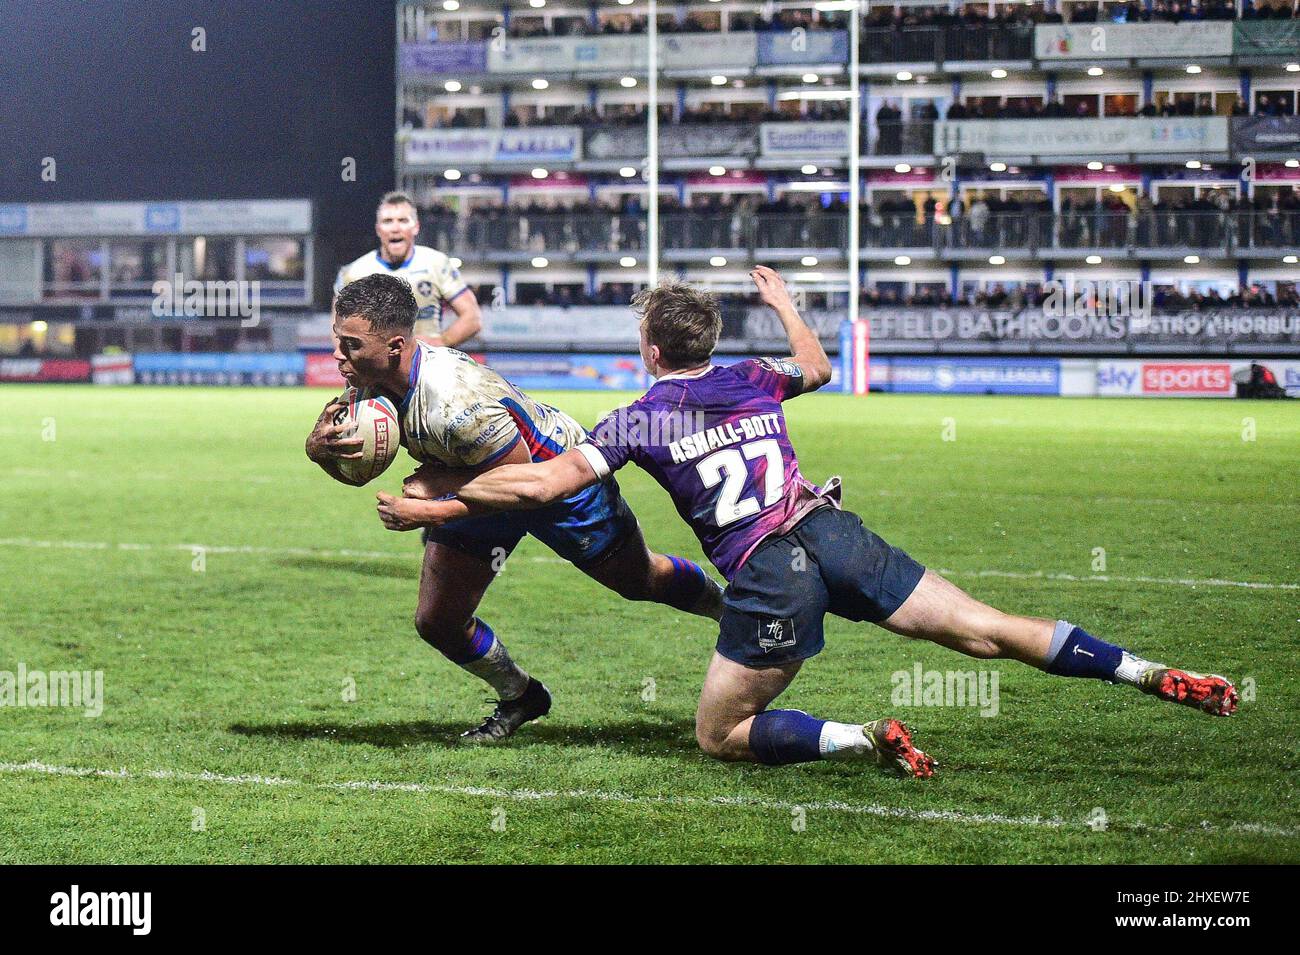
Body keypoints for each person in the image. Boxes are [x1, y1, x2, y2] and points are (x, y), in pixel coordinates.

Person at [377, 268, 1238, 776]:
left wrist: (443, 499)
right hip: (831, 529)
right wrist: (786, 302)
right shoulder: (754, 373)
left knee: (719, 735)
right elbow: (819, 367)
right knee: (983, 629)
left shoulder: (640, 415)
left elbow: (543, 485)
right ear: (708, 341)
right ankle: (1144, 669)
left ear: (652, 350)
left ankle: (864, 737)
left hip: (770, 573)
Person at [306, 274, 723, 742]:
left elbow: (519, 488)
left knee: (640, 580)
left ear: (396, 345)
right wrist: (317, 448)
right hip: (474, 476)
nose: (337, 356)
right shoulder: (367, 379)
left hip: (557, 478)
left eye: (349, 345)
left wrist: (434, 508)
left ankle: (731, 610)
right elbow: (355, 467)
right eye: (337, 342)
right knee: (437, 622)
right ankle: (521, 695)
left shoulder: (455, 404)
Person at [334, 191, 482, 348]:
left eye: (403, 220)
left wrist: (438, 343)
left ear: (416, 227)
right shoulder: (355, 272)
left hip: (426, 368)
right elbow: (338, 329)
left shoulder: (437, 263)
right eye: (388, 221)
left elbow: (472, 318)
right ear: (378, 229)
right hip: (376, 371)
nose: (395, 228)